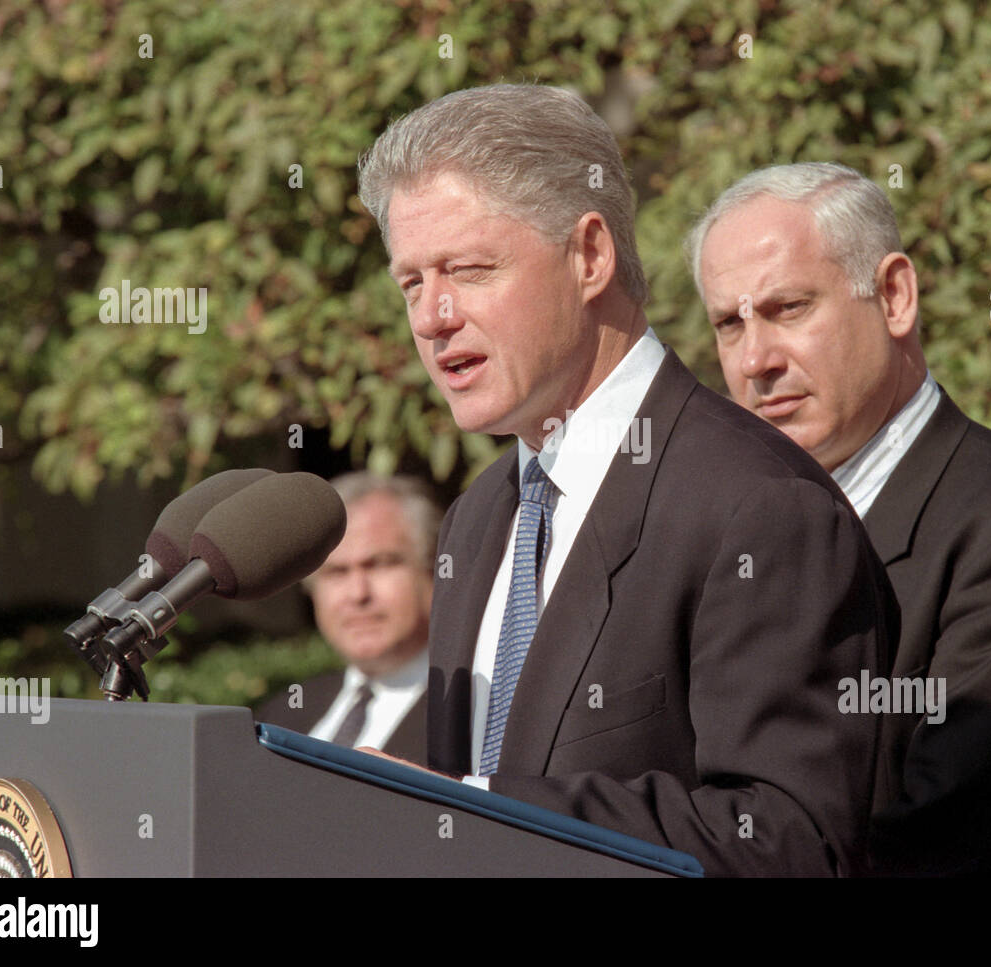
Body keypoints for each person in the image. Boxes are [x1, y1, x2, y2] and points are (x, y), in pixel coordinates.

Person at [355, 86, 898, 876]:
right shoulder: (475, 519)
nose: (433, 316)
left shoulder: (760, 505)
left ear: (590, 256)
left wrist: (478, 806)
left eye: (469, 270)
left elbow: (790, 837)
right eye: (411, 282)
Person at [689, 162, 991, 875]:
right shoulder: (723, 533)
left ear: (894, 295)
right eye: (728, 323)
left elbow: (952, 847)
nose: (754, 360)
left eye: (789, 308)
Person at [256, 473, 441, 762]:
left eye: (379, 564)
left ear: (430, 570)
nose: (358, 594)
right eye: (336, 572)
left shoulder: (477, 713)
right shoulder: (283, 713)